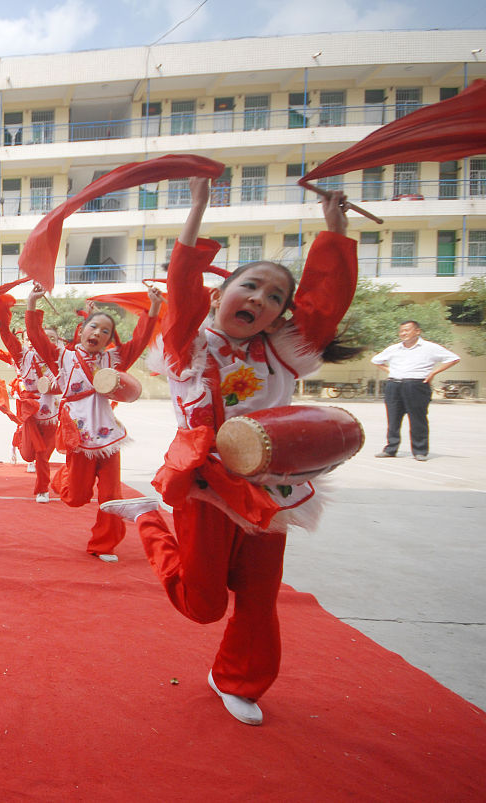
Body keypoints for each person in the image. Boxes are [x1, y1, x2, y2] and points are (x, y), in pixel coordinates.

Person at [101, 177, 359, 726]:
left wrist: (335, 232)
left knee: (259, 598)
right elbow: (182, 281)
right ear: (220, 295)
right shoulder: (185, 344)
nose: (261, 300)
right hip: (204, 486)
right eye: (252, 287)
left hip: (271, 490)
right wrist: (197, 207)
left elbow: (323, 305)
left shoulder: (284, 354)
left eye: (275, 298)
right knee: (204, 605)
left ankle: (238, 680)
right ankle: (147, 517)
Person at [25, 284, 162, 560]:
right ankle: (61, 478)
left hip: (109, 438)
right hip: (79, 438)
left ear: (110, 339)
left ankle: (104, 544)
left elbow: (141, 338)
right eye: (94, 327)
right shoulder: (63, 358)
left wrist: (155, 306)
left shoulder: (114, 359)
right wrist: (31, 303)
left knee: (111, 494)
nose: (98, 333)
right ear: (81, 330)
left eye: (105, 331)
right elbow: (38, 339)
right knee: (75, 497)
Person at [371, 321, 459, 461]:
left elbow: (453, 358)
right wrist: (390, 370)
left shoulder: (430, 347)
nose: (403, 333)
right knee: (393, 418)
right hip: (394, 385)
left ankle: (420, 451)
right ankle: (391, 448)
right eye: (401, 331)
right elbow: (376, 360)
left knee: (418, 418)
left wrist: (433, 373)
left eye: (407, 330)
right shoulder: (394, 348)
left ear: (417, 331)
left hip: (416, 385)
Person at [0, 317, 62, 502]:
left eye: (53, 338)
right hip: (31, 416)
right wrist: (1, 320)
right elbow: (9, 340)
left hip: (51, 417)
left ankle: (42, 489)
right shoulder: (24, 357)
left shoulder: (61, 359)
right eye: (45, 337)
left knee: (43, 455)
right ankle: (20, 442)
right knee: (28, 455)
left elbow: (69, 384)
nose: (48, 341)